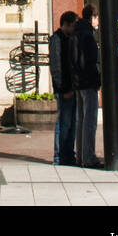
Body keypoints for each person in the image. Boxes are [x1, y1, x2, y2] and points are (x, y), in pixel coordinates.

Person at [69, 3, 102, 168]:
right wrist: (97, 82)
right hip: (88, 82)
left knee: (81, 119)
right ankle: (88, 156)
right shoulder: (88, 35)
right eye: (97, 19)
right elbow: (91, 61)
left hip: (78, 83)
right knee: (89, 120)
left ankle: (81, 155)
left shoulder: (75, 33)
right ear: (93, 17)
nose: (98, 23)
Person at [49, 10, 79, 165]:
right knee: (64, 123)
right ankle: (59, 155)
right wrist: (63, 88)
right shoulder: (56, 39)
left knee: (72, 123)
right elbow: (56, 67)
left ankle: (68, 154)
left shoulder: (69, 39)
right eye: (73, 25)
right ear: (65, 25)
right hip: (64, 89)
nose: (74, 29)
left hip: (71, 88)